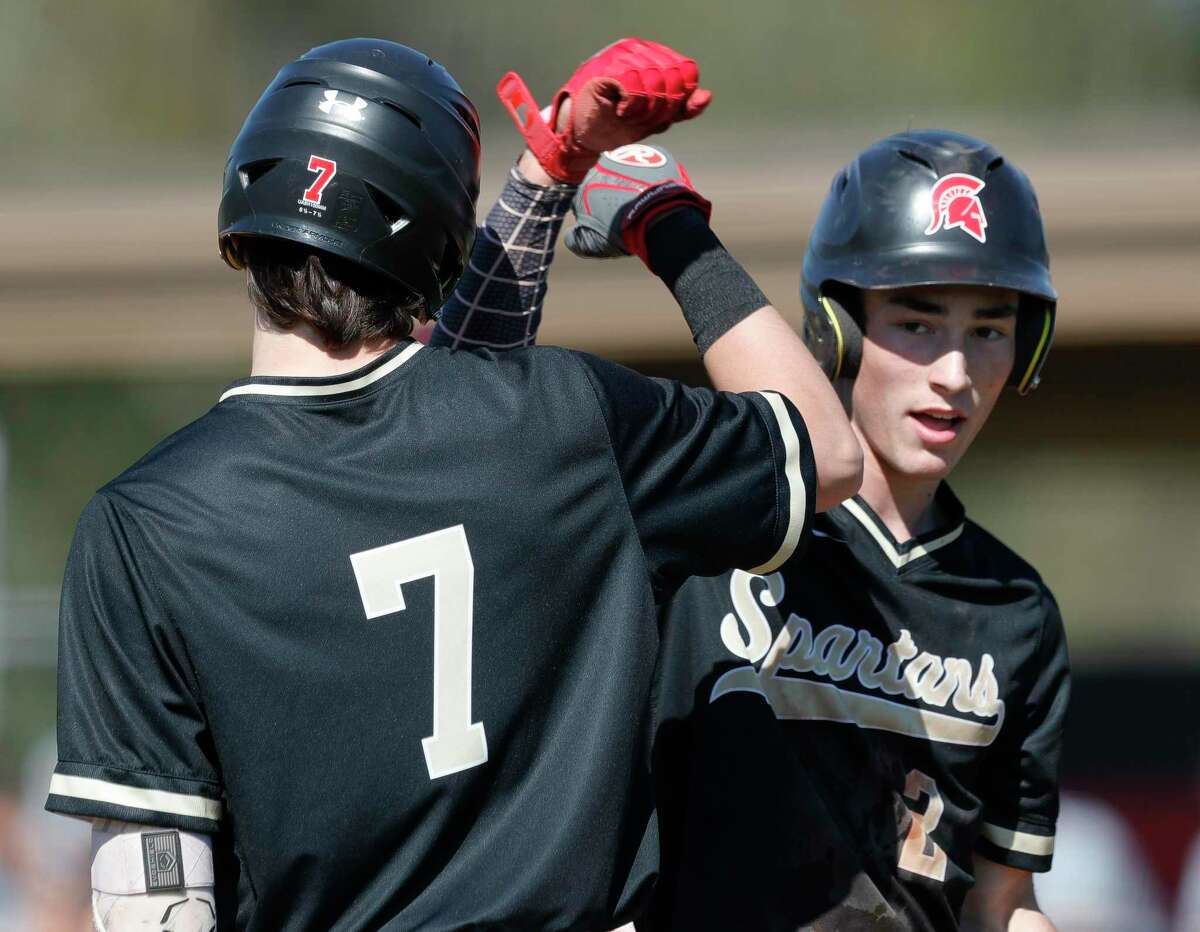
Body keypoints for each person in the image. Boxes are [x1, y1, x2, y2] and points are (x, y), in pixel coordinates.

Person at [45, 38, 861, 930]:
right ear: (436, 251)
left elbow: (151, 898)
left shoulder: (143, 523)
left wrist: (548, 176)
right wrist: (663, 219)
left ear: (241, 218)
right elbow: (826, 445)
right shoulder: (569, 421)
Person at [456, 132, 1070, 930]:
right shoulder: (708, 520)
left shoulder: (1016, 608)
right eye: (917, 324)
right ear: (837, 329)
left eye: (989, 331)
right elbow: (455, 422)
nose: (955, 374)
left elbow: (1002, 904)